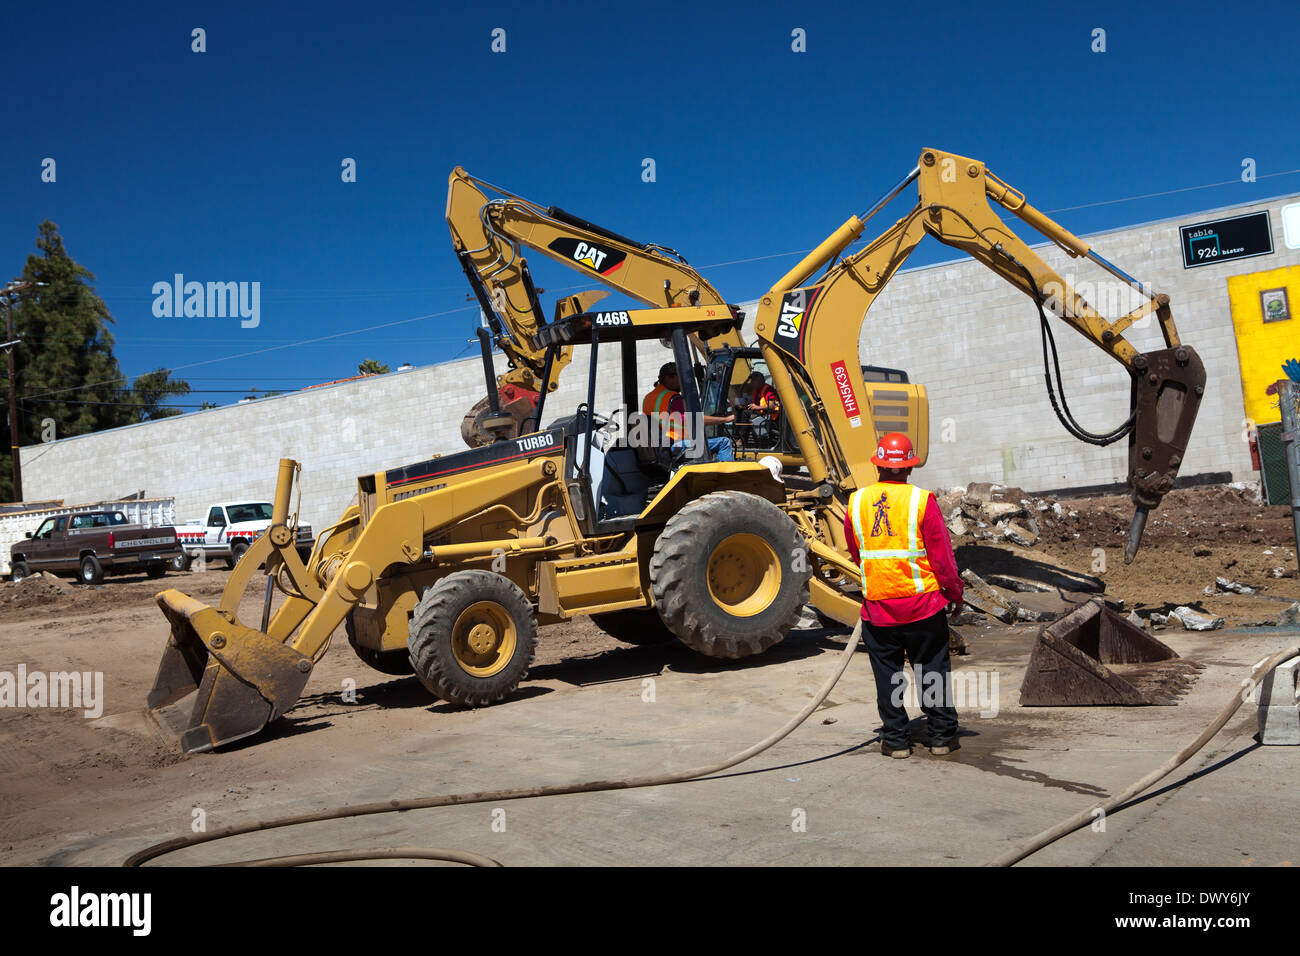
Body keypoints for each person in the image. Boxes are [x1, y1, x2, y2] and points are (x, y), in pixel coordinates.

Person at [844, 431, 964, 759]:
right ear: (909, 468)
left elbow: (858, 552)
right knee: (932, 670)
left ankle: (896, 741)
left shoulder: (856, 502)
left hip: (878, 609)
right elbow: (942, 557)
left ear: (879, 466)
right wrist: (954, 593)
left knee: (888, 675)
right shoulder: (921, 502)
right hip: (923, 607)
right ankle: (941, 737)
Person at [642, 361, 735, 462]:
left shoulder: (648, 397)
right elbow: (692, 420)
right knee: (724, 442)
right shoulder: (672, 397)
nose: (683, 382)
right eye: (680, 377)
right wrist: (726, 419)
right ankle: (726, 477)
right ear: (669, 378)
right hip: (676, 444)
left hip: (661, 447)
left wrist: (713, 417)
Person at [744, 372, 781, 446]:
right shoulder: (757, 390)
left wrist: (757, 407)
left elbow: (771, 405)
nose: (752, 383)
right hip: (761, 413)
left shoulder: (768, 390)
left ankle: (742, 439)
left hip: (770, 415)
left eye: (754, 380)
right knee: (743, 411)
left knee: (745, 414)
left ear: (761, 380)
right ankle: (742, 437)